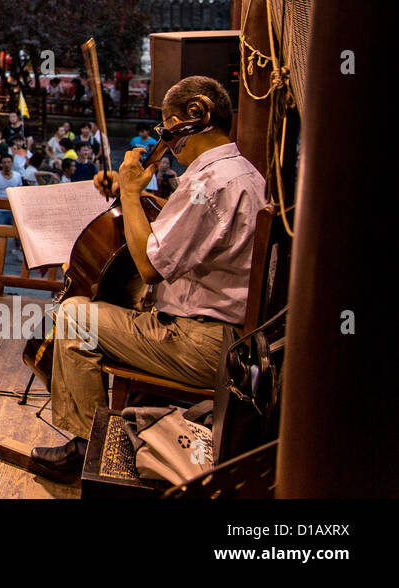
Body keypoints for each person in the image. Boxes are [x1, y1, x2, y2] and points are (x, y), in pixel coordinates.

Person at [30, 76, 266, 483]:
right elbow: (180, 236)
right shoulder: (243, 173)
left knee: (72, 315)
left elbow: (151, 266)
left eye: (168, 127)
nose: (168, 140)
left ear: (197, 117)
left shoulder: (207, 183)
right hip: (235, 343)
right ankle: (112, 428)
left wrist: (131, 196)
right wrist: (135, 193)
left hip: (205, 346)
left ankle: (90, 449)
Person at [0, 154, 24, 225]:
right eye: (4, 163)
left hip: (14, 209)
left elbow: (20, 192)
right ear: (1, 164)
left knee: (16, 233)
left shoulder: (18, 176)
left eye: (9, 162)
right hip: (0, 209)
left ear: (12, 163)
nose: (7, 165)